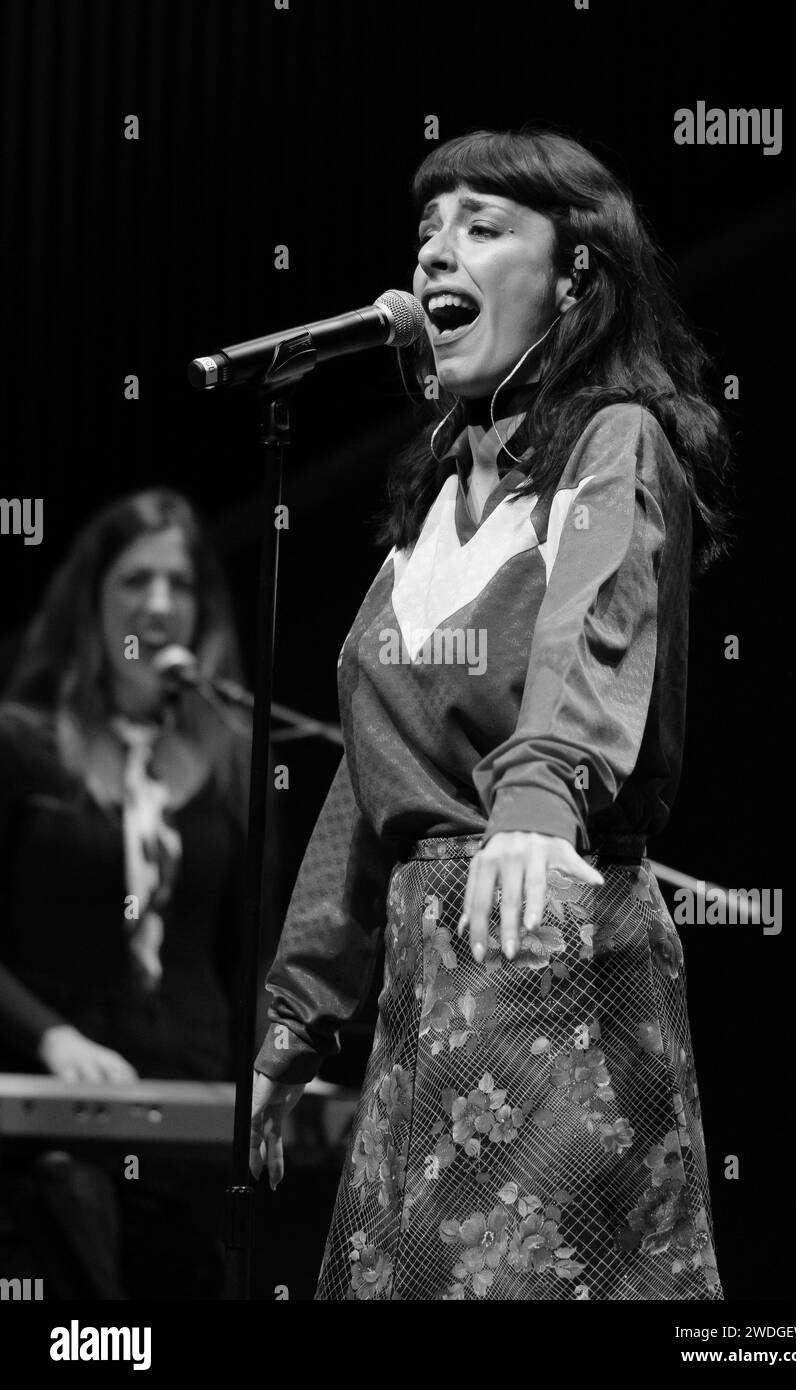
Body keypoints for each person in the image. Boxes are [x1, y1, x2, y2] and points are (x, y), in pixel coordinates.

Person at [249, 127, 733, 1301]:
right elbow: (365, 784)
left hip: (550, 952)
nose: (433, 253)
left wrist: (538, 795)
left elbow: (596, 620)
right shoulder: (427, 510)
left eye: (481, 224)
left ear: (573, 273)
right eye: (425, 228)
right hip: (425, 998)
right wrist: (296, 1017)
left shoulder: (607, 443)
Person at [0, 488, 251, 1298]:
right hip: (49, 1108)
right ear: (93, 601)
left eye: (180, 585)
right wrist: (50, 1037)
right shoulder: (22, 744)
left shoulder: (233, 758)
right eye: (135, 581)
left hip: (197, 1112)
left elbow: (254, 944)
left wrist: (280, 1056)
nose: (160, 604)